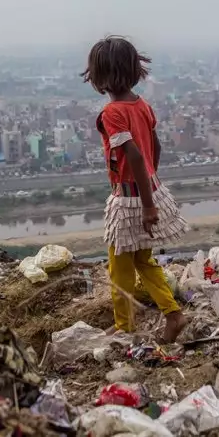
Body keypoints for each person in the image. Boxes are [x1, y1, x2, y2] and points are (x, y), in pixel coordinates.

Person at [82, 35, 189, 343]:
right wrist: (152, 190)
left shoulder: (112, 113)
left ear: (100, 75)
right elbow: (154, 147)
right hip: (147, 192)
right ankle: (173, 313)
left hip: (130, 201)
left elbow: (135, 156)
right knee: (144, 260)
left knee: (119, 269)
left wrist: (147, 205)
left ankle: (125, 326)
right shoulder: (141, 105)